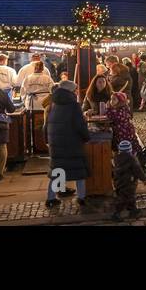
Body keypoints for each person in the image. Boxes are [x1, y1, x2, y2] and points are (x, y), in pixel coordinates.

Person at [45, 79, 91, 209]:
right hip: (72, 143)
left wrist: (48, 141)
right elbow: (80, 125)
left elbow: (46, 125)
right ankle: (81, 197)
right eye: (75, 90)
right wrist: (86, 137)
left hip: (56, 143)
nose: (76, 92)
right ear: (70, 91)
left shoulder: (53, 104)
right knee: (79, 171)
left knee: (58, 170)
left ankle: (51, 198)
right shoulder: (74, 105)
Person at [110, 138, 146, 221]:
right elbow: (138, 170)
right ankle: (116, 214)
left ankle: (133, 210)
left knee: (128, 196)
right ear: (130, 150)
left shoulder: (116, 158)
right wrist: (144, 179)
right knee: (124, 198)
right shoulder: (132, 159)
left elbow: (113, 170)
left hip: (118, 182)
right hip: (129, 182)